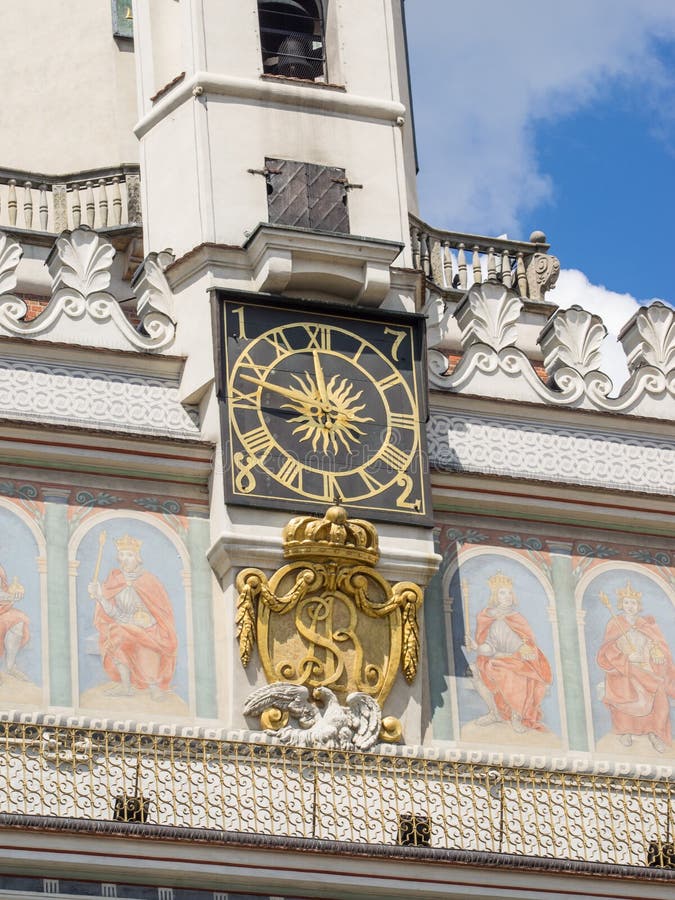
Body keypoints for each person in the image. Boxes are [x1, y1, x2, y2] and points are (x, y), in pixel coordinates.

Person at [88, 535, 178, 699]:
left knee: (144, 643)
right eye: (122, 555)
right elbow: (114, 614)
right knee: (118, 634)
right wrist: (100, 597)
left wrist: (146, 621)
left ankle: (153, 687)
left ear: (137, 558)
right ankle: (125, 686)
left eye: (129, 555)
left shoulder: (149, 581)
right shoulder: (115, 580)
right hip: (124, 625)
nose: (124, 559)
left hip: (149, 628)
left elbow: (161, 610)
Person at [466, 571, 552, 733]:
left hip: (517, 661)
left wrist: (524, 651)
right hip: (496, 661)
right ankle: (494, 712)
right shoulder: (487, 617)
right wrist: (477, 646)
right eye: (502, 592)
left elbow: (527, 645)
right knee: (475, 669)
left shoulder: (517, 618)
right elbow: (489, 647)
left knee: (513, 673)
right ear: (495, 595)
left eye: (509, 593)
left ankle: (516, 717)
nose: (507, 596)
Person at [597, 581, 674, 753]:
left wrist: (657, 654)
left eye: (633, 603)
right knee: (626, 694)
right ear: (621, 604)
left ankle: (654, 733)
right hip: (624, 669)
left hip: (646, 667)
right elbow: (608, 649)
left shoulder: (646, 625)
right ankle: (626, 731)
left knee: (658, 696)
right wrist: (626, 657)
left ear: (638, 606)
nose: (629, 606)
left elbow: (658, 646)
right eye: (626, 602)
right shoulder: (615, 623)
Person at [0, 565, 30, 681]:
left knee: (18, 621)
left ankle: (10, 666)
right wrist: (10, 596)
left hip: (2, 611)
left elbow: (3, 590)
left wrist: (13, 595)